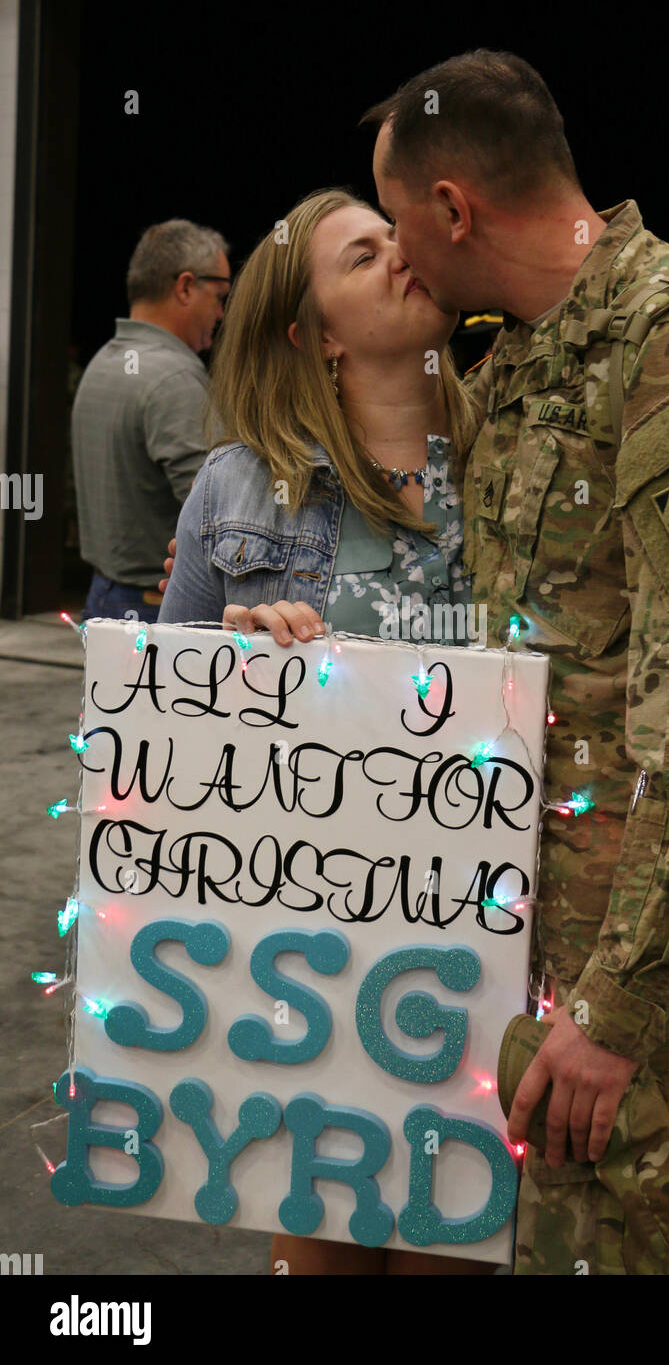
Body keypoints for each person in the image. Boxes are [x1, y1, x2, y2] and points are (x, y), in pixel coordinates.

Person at [360, 49, 669, 1275]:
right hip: (552, 954)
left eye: (400, 222)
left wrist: (615, 1012)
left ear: (454, 208)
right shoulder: (528, 361)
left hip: (662, 994)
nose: (398, 256)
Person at [158, 188, 493, 1275]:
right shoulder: (237, 483)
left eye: (395, 235)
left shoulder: (521, 473)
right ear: (315, 336)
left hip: (477, 951)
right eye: (362, 255)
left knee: (451, 1237)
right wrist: (232, 657)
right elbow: (161, 742)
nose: (400, 255)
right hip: (306, 957)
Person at [72, 219, 231, 625]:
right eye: (219, 295)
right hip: (153, 608)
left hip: (104, 596)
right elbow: (217, 516)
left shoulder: (104, 362)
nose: (222, 312)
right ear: (184, 287)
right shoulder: (175, 379)